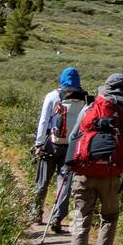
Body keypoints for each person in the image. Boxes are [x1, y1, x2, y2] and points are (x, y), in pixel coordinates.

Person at [66, 73, 123, 245]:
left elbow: (74, 136)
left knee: (81, 221)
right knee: (109, 218)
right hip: (110, 174)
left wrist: (70, 166)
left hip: (83, 172)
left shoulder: (90, 106)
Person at [31, 67, 89, 230]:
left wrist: (38, 143)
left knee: (42, 181)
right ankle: (57, 217)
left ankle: (36, 212)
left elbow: (43, 121)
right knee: (64, 183)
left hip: (51, 144)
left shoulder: (52, 96)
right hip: (72, 146)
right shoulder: (83, 98)